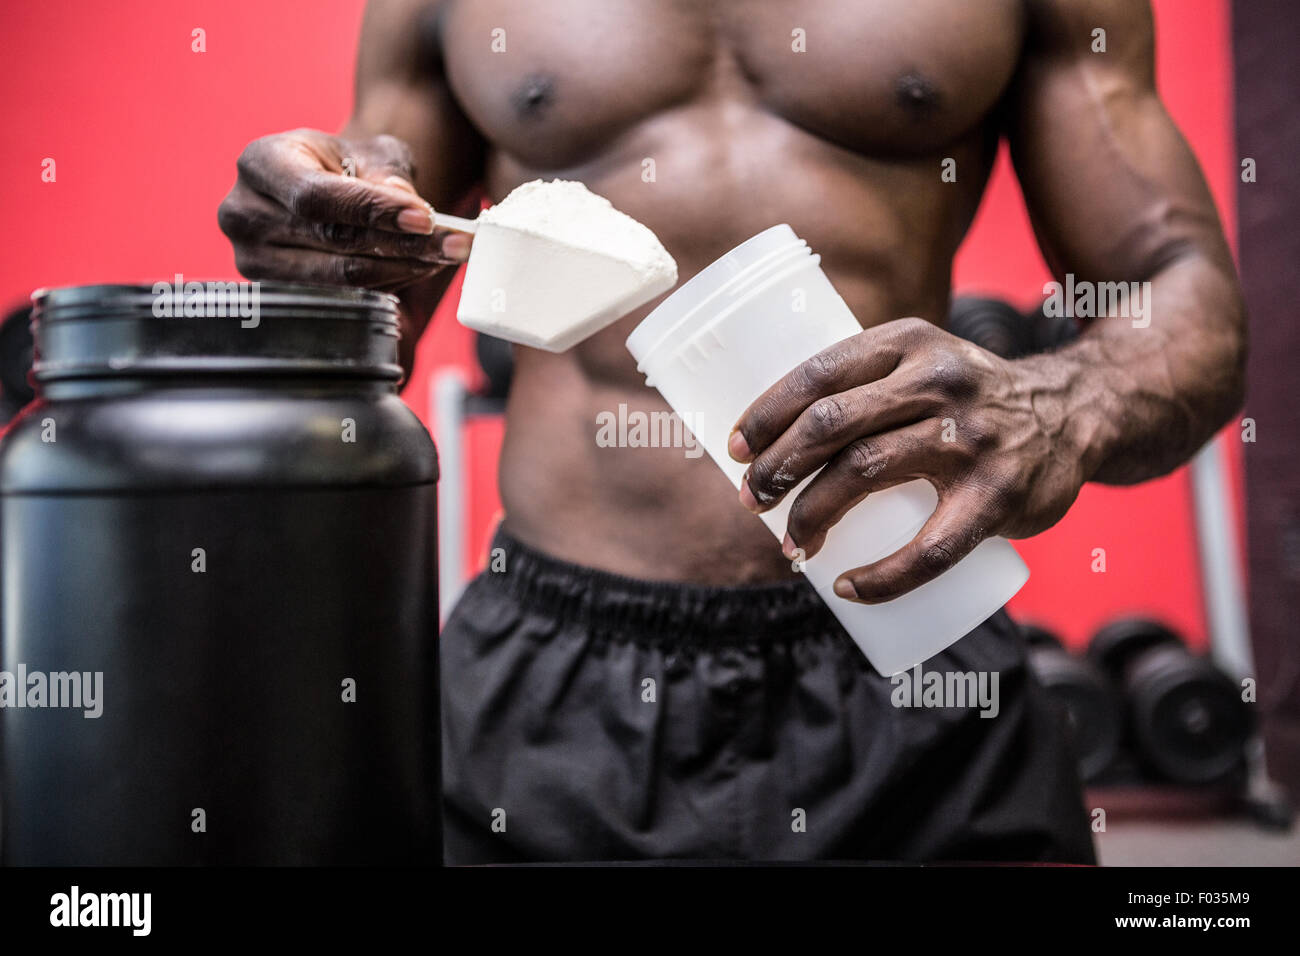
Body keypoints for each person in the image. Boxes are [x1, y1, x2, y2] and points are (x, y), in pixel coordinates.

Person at [218, 0, 1246, 863]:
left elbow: (1185, 289)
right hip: (554, 685)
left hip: (919, 655)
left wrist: (1064, 400)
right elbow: (361, 313)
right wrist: (313, 250)